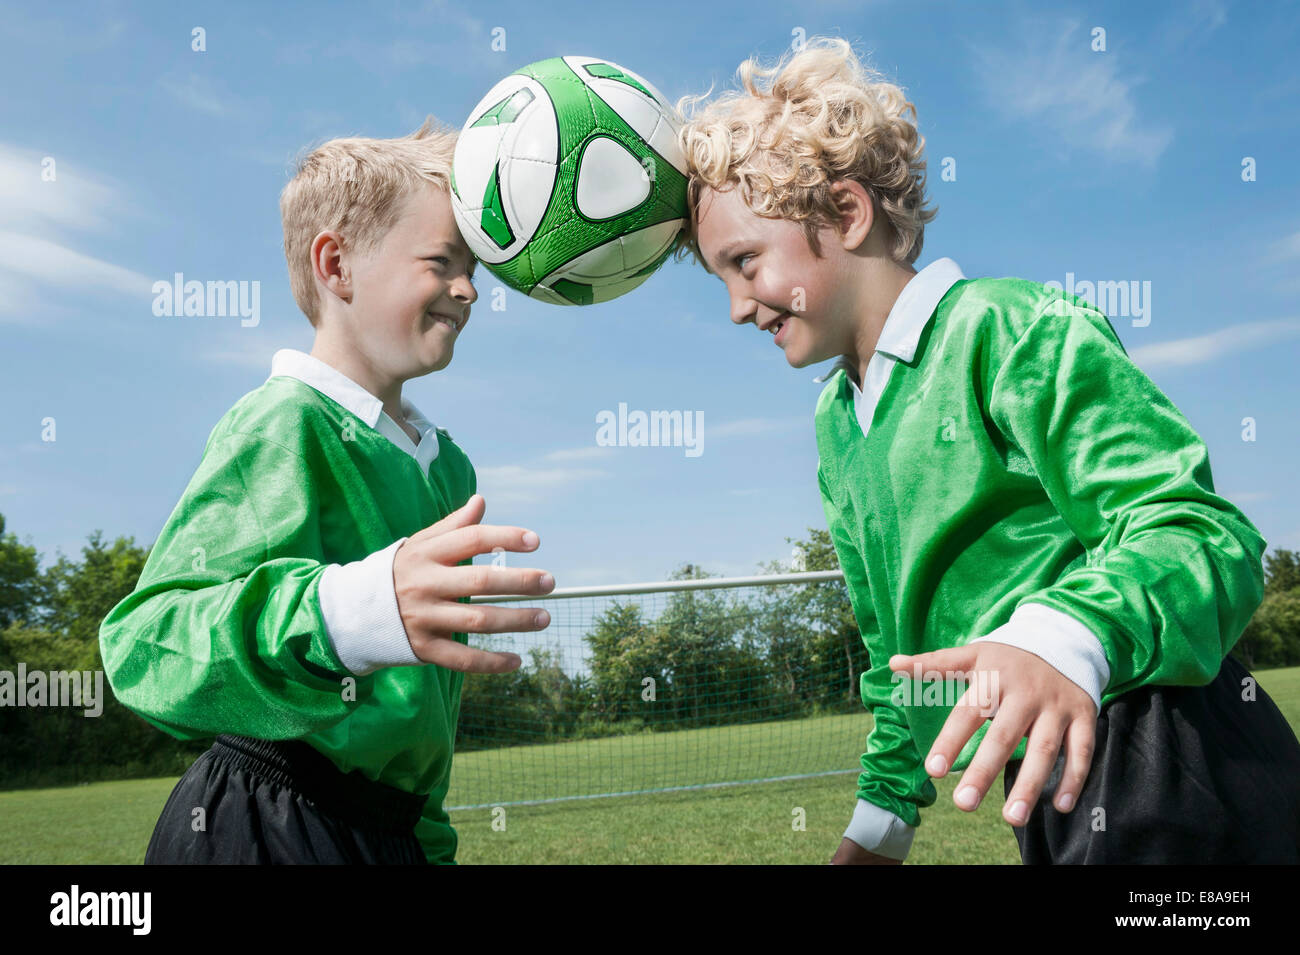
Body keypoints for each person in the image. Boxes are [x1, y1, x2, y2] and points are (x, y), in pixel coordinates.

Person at [674, 37, 1300, 863]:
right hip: (1048, 781)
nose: (735, 307)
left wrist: (1063, 638)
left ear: (847, 213)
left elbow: (1202, 536)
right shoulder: (838, 425)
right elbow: (900, 659)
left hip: (1163, 743)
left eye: (745, 262)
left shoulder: (1011, 330)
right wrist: (879, 826)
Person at [99, 117, 556, 864]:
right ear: (336, 264)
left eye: (472, 266)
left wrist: (423, 842)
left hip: (387, 833)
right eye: (441, 261)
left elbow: (420, 731)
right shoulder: (283, 422)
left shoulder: (450, 470)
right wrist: (347, 614)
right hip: (265, 821)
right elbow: (145, 649)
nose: (469, 289)